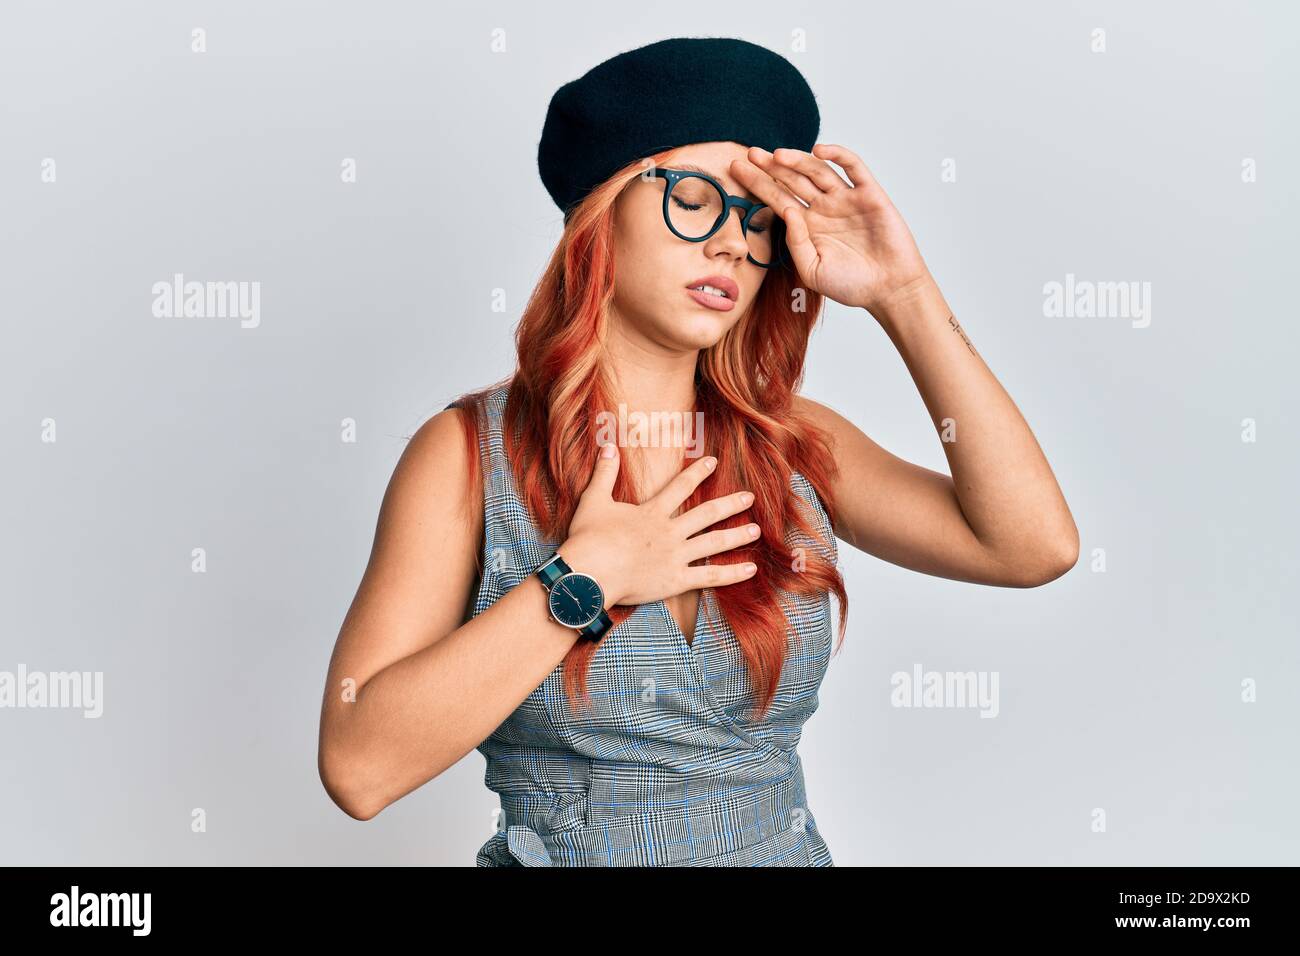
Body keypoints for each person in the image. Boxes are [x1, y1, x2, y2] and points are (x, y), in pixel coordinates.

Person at [317, 37, 1079, 866]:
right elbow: (361, 767)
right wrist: (585, 579)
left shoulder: (793, 442)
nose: (729, 246)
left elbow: (1033, 546)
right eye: (695, 198)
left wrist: (903, 292)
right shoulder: (469, 456)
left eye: (758, 223)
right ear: (600, 212)